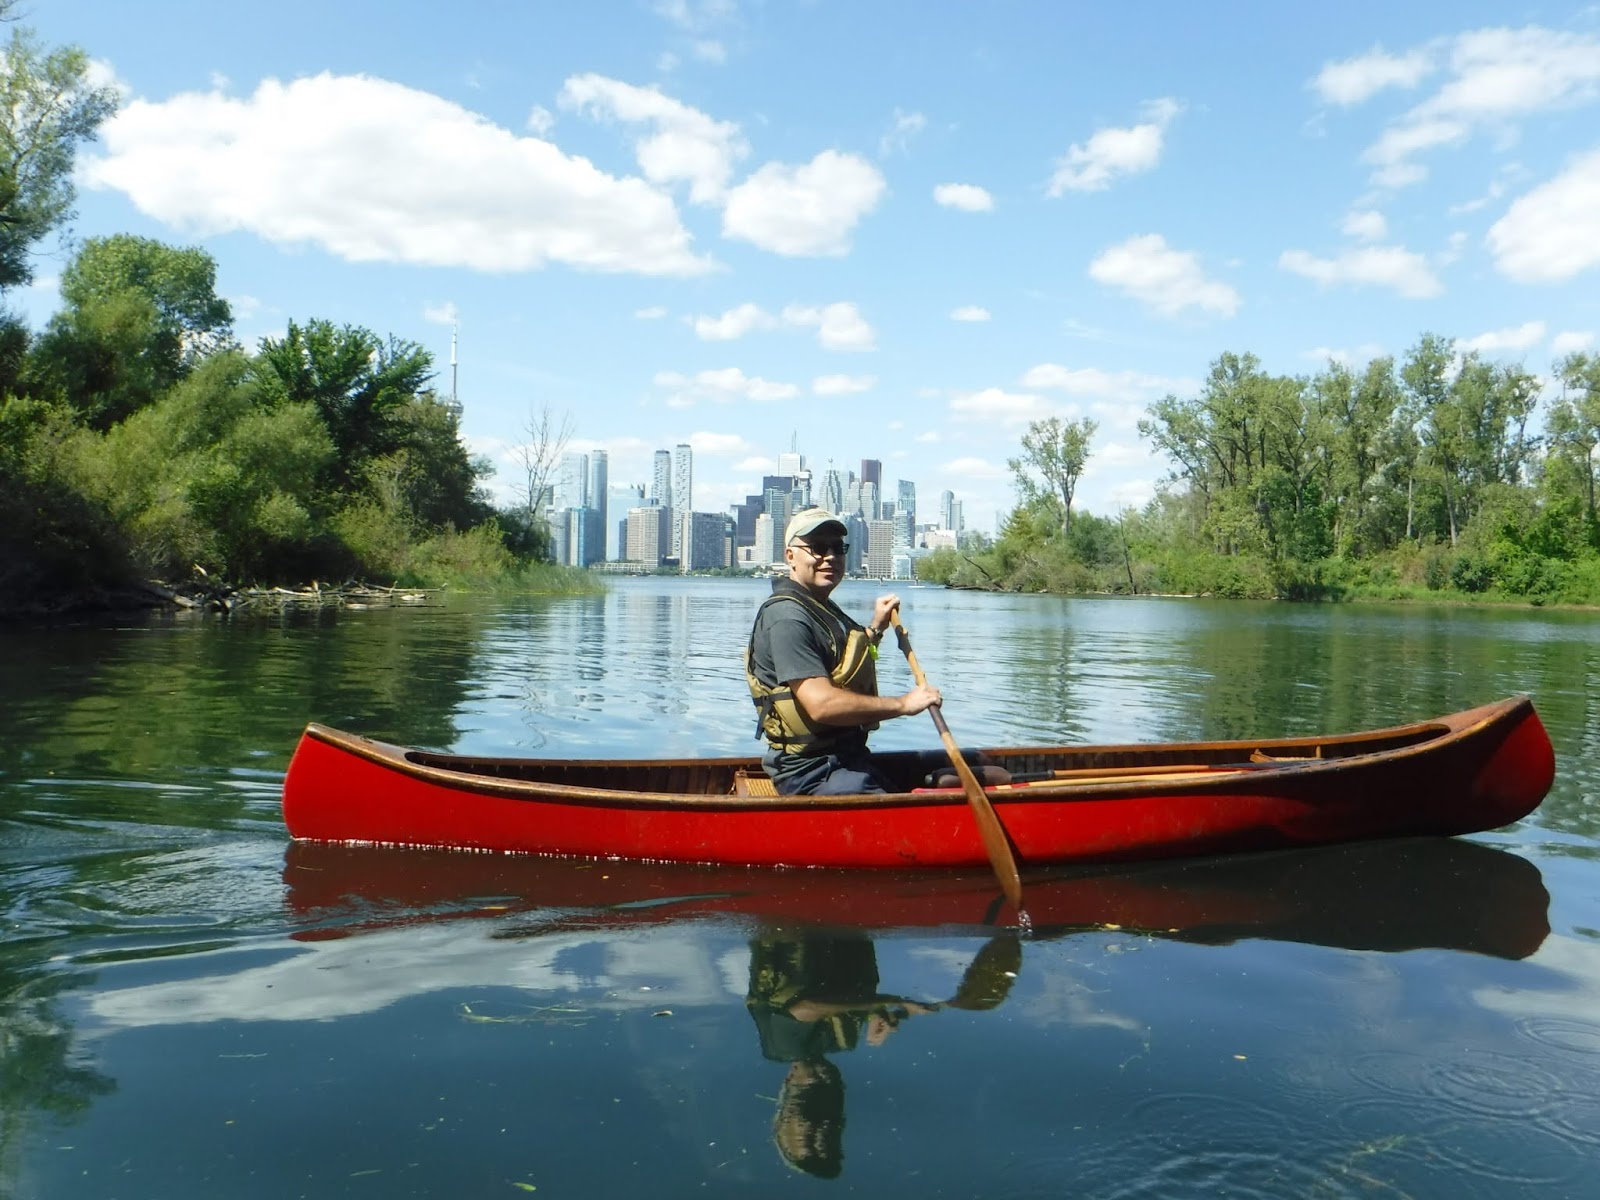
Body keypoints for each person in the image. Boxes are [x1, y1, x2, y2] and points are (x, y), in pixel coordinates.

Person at [745, 509, 943, 795]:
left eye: (838, 548)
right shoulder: (787, 617)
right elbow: (822, 704)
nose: (830, 556)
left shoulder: (820, 607)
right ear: (791, 556)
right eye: (817, 548)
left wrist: (875, 629)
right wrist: (904, 704)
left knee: (979, 766)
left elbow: (843, 667)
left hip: (846, 758)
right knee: (894, 803)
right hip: (810, 772)